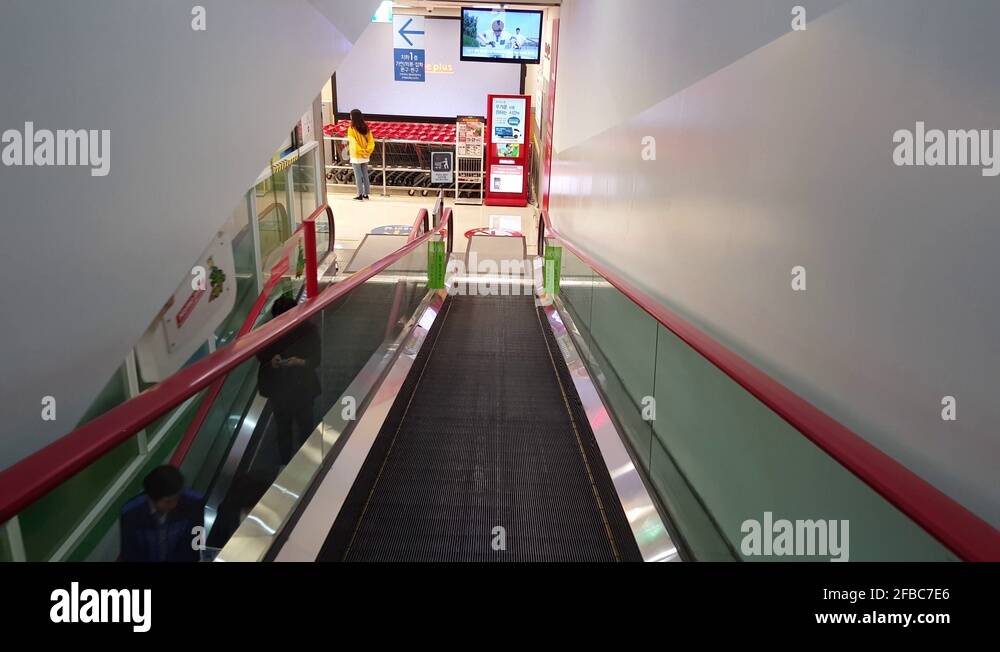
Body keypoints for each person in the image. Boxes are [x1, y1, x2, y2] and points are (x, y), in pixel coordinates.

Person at [256, 295, 322, 465]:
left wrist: (300, 362)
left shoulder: (308, 330)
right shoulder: (268, 331)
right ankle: (286, 463)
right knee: (283, 429)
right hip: (280, 390)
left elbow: (316, 359)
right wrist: (272, 361)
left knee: (305, 426)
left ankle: (306, 462)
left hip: (302, 387)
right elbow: (260, 355)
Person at [120, 465, 204, 562]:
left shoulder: (194, 502)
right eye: (168, 501)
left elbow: (197, 542)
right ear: (151, 498)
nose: (174, 505)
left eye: (177, 498)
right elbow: (130, 553)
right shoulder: (131, 514)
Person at [347, 109, 375, 201]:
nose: (350, 117)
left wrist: (360, 151)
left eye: (350, 115)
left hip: (356, 156)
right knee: (365, 175)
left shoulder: (351, 129)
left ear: (353, 117)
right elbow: (371, 141)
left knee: (358, 176)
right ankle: (366, 194)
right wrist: (367, 151)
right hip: (365, 156)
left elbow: (353, 143)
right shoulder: (366, 127)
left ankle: (359, 194)